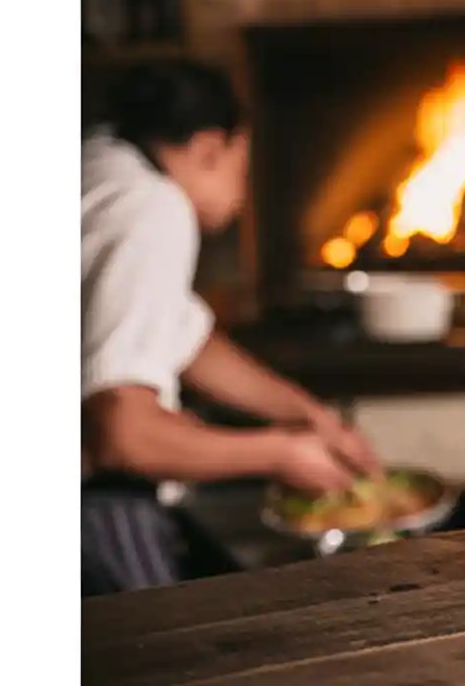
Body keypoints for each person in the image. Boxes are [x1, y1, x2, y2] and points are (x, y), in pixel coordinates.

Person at [81, 59, 379, 596]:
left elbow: (184, 338)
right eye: (242, 170)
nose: (242, 197)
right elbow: (124, 435)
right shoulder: (150, 207)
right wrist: (280, 453)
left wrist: (309, 416)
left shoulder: (102, 167)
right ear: (208, 148)